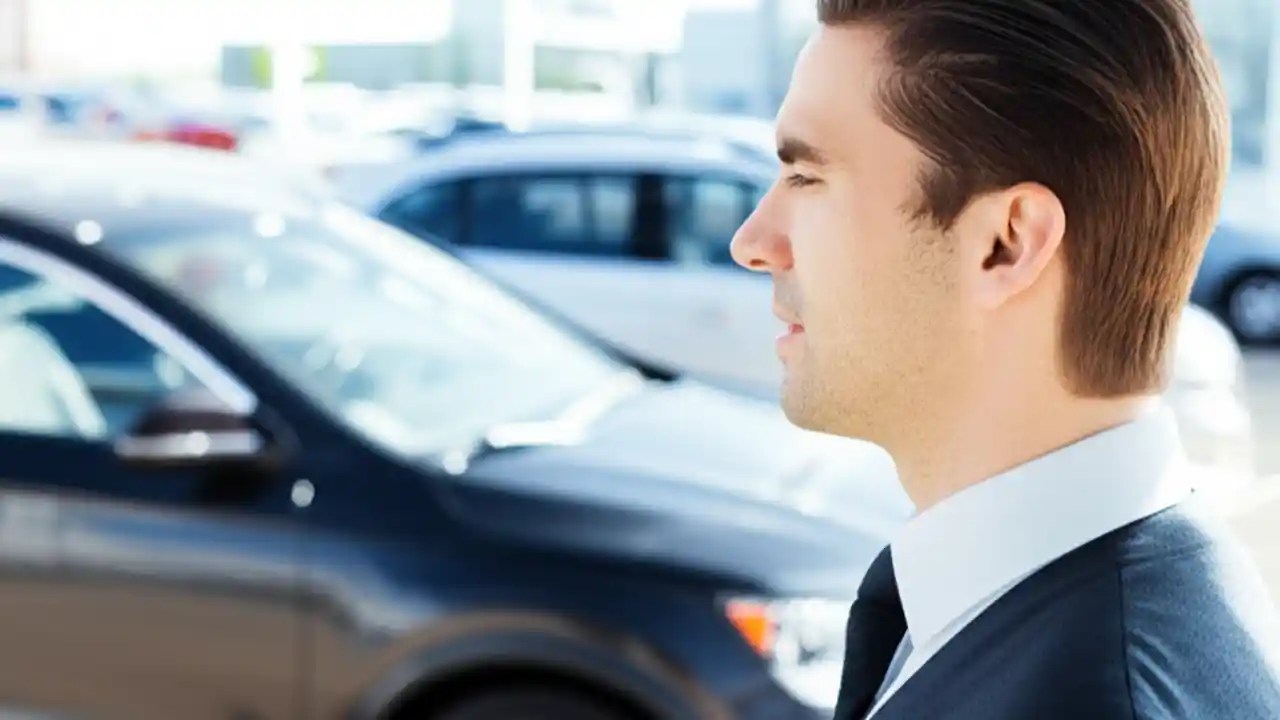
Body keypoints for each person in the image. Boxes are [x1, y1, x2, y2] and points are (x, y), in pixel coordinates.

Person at [729, 1, 1280, 718]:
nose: (751, 240)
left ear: (1007, 244)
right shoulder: (1088, 597)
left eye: (807, 178)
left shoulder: (1096, 690)